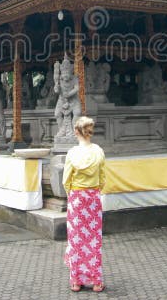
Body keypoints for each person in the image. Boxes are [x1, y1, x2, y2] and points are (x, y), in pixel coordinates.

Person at [62, 116, 106, 293]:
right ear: (90, 131)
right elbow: (102, 177)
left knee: (76, 239)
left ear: (76, 131)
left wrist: (72, 195)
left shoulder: (72, 153)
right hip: (93, 197)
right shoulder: (98, 151)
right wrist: (95, 191)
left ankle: (76, 281)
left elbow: (66, 180)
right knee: (93, 239)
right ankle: (96, 281)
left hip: (77, 198)